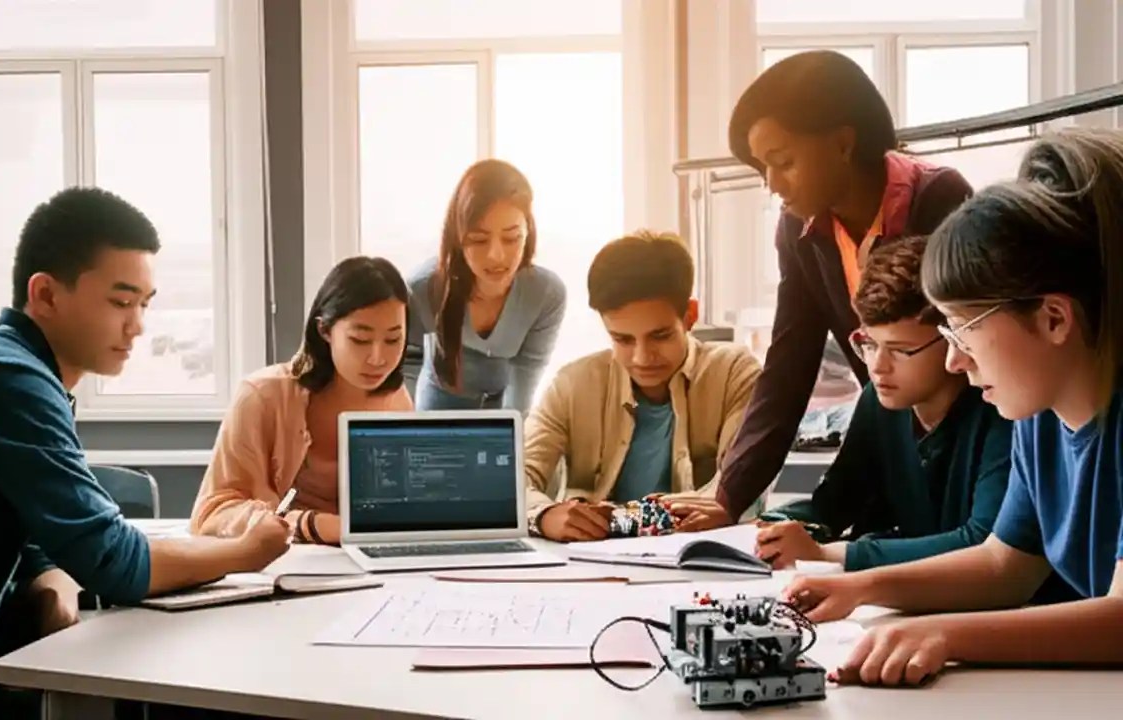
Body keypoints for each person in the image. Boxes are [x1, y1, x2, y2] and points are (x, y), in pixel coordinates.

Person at [0, 187, 292, 718]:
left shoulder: (4, 365)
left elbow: (30, 524)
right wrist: (250, 552)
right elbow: (113, 561)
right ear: (47, 295)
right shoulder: (5, 379)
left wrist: (51, 581)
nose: (138, 326)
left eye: (144, 305)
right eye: (121, 302)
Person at [783, 128, 1123, 687]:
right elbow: (1004, 565)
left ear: (1054, 318)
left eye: (964, 330)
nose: (954, 362)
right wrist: (862, 586)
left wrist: (945, 633)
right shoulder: (1041, 418)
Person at [698, 50, 974, 529]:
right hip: (891, 433)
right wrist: (728, 496)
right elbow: (789, 363)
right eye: (762, 167)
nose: (770, 184)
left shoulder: (939, 198)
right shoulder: (797, 231)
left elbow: (967, 345)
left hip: (968, 437)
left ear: (844, 144)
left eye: (782, 162)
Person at [755, 236, 1012, 571]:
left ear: (953, 337)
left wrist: (839, 555)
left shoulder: (1001, 409)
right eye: (869, 344)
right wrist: (773, 527)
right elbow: (834, 505)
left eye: (901, 350)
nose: (876, 367)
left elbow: (981, 541)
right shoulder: (879, 401)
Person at [525, 231, 761, 541]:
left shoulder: (736, 374)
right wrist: (544, 515)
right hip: (589, 563)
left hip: (700, 560)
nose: (641, 358)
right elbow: (514, 484)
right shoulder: (572, 384)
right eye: (622, 339)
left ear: (690, 316)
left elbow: (740, 490)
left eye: (660, 336)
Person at [191, 256, 414, 546]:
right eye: (360, 339)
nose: (378, 358)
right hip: (283, 559)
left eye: (393, 340)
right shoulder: (261, 396)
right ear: (324, 331)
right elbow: (211, 513)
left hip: (360, 560)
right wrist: (305, 523)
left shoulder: (396, 399)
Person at [407, 159, 567, 413]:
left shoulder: (547, 294)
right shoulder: (423, 289)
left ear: (529, 231)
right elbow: (406, 370)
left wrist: (508, 434)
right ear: (458, 238)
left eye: (511, 238)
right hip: (434, 409)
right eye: (479, 240)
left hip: (503, 410)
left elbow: (525, 378)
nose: (496, 255)